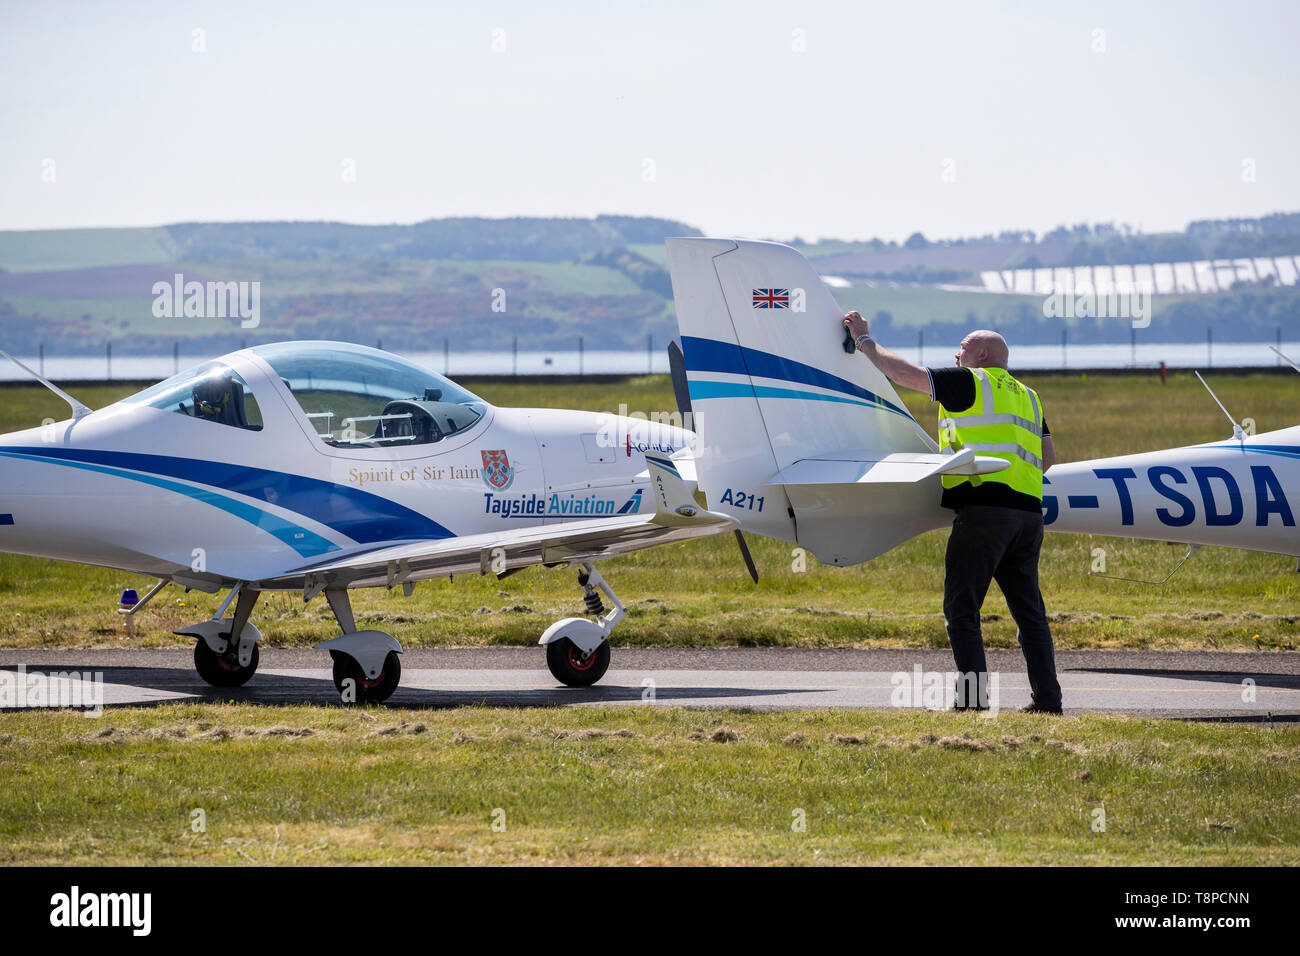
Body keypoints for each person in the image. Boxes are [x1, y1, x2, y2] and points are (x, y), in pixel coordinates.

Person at [842, 312, 1063, 714]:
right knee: (1030, 614)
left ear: (980, 354)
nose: (956, 354)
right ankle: (1048, 701)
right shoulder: (1028, 395)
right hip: (1028, 517)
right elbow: (1047, 457)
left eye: (962, 347)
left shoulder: (970, 382)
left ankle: (974, 703)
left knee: (962, 610)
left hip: (984, 513)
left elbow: (905, 375)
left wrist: (864, 341)